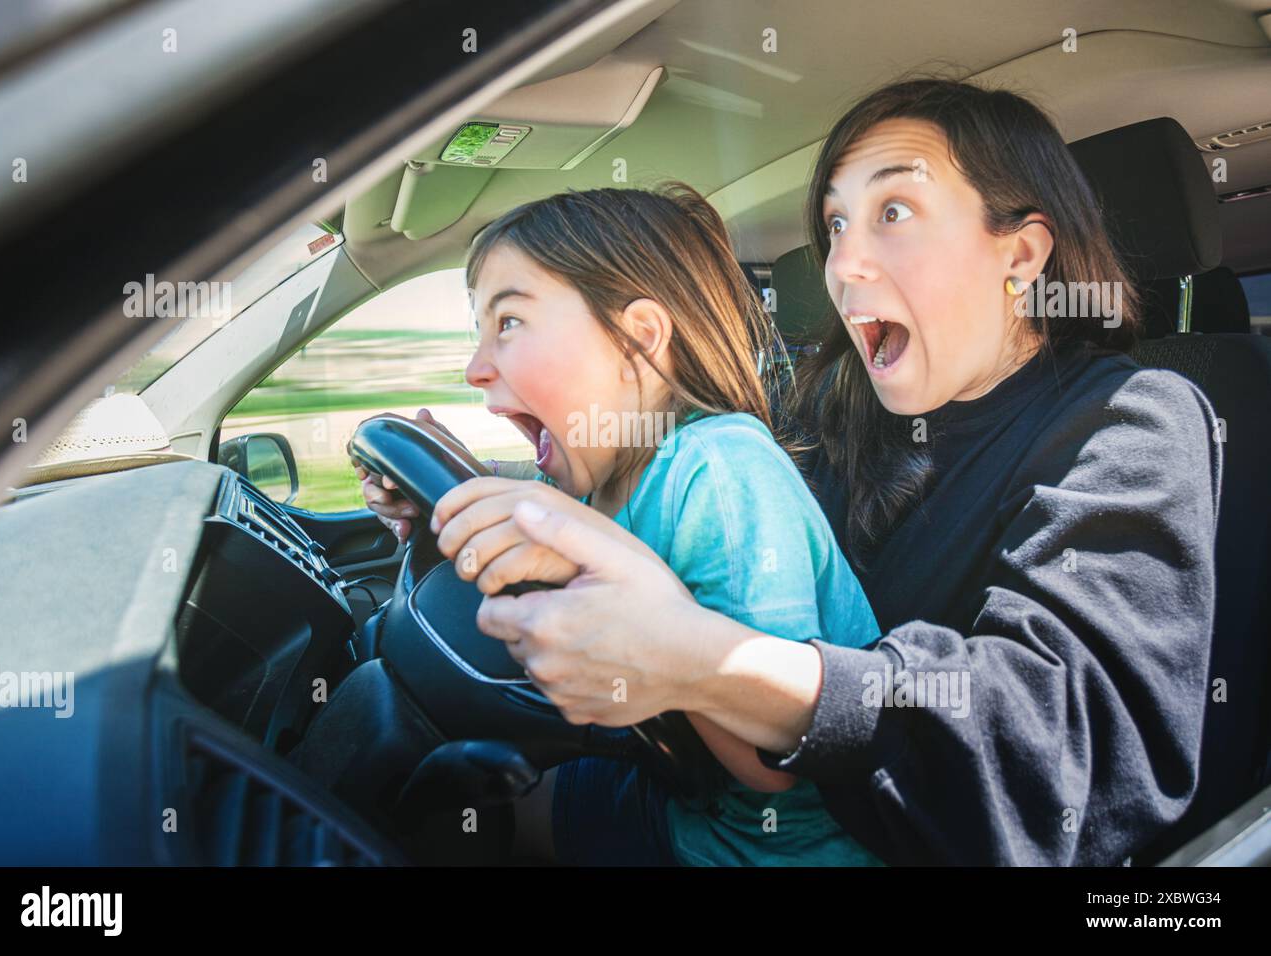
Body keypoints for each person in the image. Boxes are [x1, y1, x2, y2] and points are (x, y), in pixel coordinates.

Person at [362, 79, 1221, 866]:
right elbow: (652, 472)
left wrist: (705, 663)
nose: (842, 264)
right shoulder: (832, 413)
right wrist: (481, 499)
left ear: (1021, 258)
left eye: (895, 211)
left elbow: (1062, 741)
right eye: (838, 223)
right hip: (704, 791)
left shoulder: (1132, 421)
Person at [361, 183, 886, 865]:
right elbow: (534, 502)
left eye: (510, 323)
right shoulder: (600, 471)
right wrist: (444, 485)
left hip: (774, 845)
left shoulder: (719, 471)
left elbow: (770, 766)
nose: (475, 368)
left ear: (639, 340)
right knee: (466, 809)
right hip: (679, 794)